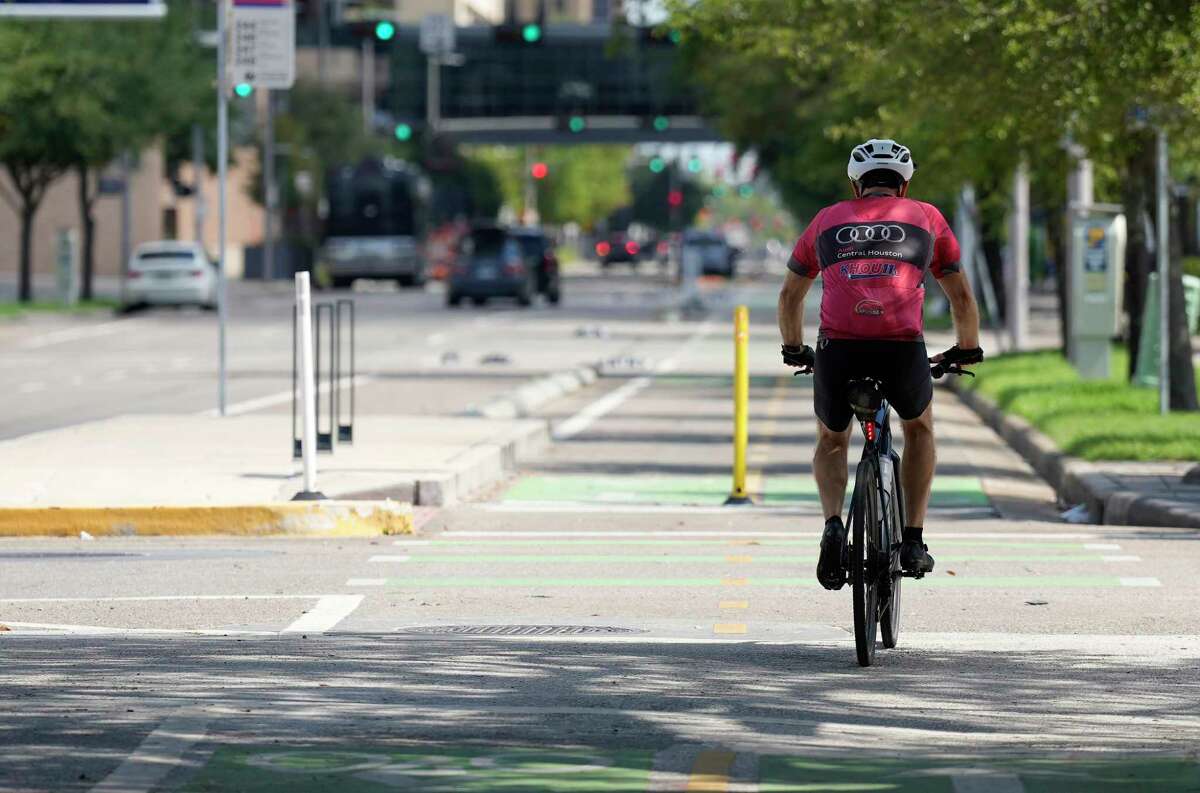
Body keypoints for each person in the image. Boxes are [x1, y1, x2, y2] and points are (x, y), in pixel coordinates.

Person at [776, 138, 983, 590]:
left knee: (832, 439)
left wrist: (794, 348)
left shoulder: (827, 220)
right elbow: (962, 298)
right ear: (904, 184)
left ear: (856, 183)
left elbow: (791, 295)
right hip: (900, 345)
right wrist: (966, 349)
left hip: (838, 346)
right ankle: (912, 539)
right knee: (919, 427)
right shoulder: (927, 218)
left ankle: (833, 525)